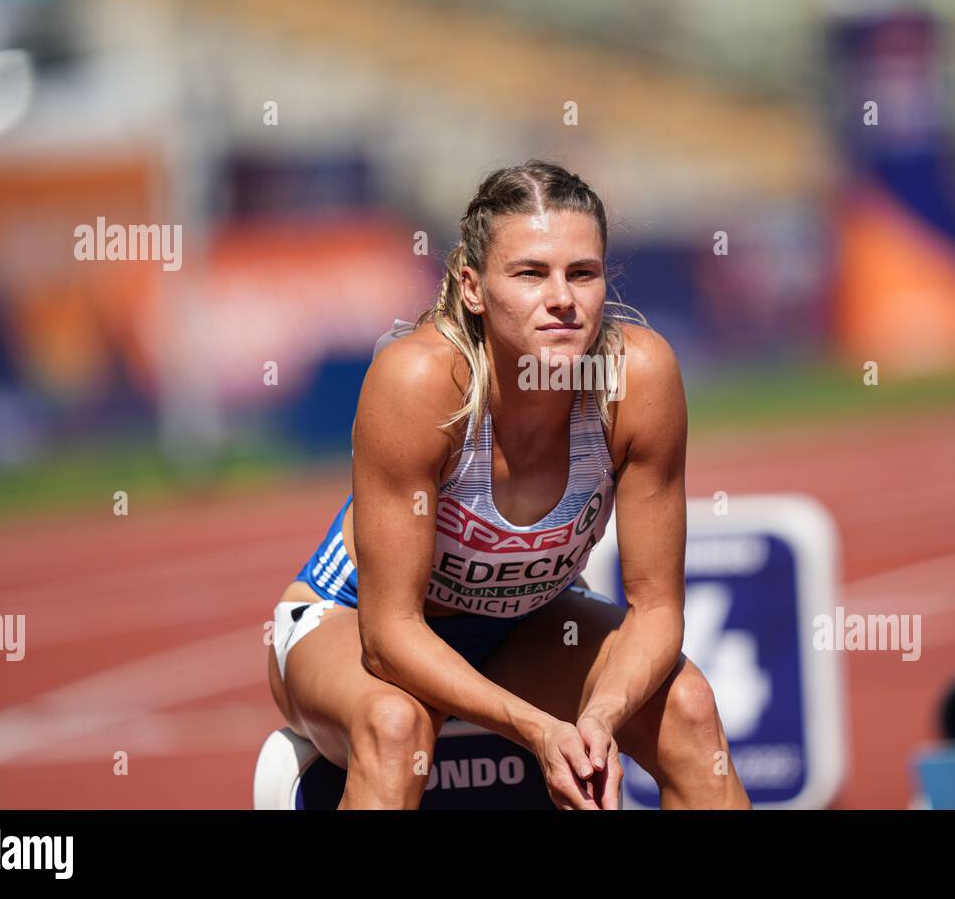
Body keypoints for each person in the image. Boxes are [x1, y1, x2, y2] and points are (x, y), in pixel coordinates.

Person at [265, 159, 751, 809]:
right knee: (395, 726)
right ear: (472, 286)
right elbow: (389, 639)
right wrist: (538, 730)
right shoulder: (417, 383)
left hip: (529, 625)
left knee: (687, 707)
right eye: (530, 274)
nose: (561, 298)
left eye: (583, 273)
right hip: (359, 622)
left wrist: (599, 718)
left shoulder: (639, 379)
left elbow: (658, 610)